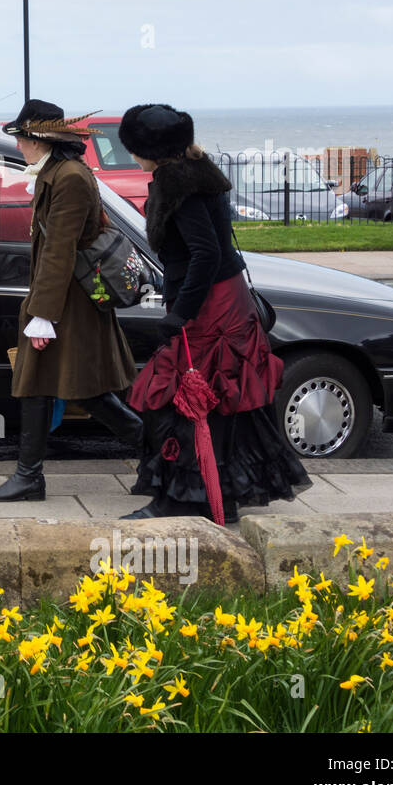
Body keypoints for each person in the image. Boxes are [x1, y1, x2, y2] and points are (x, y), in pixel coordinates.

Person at [117, 104, 311, 522]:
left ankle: (177, 498)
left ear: (148, 149)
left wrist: (180, 313)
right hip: (226, 298)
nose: (132, 156)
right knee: (221, 405)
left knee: (178, 399)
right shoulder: (199, 171)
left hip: (209, 308)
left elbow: (205, 254)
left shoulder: (177, 183)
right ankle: (219, 498)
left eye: (133, 148)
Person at [0, 100, 141, 502]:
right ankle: (30, 476)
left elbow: (60, 250)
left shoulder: (67, 177)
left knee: (81, 391)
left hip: (70, 305)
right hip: (62, 299)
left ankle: (159, 453)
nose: (17, 146)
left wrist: (43, 316)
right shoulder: (57, 172)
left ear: (37, 139)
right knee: (48, 385)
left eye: (20, 138)